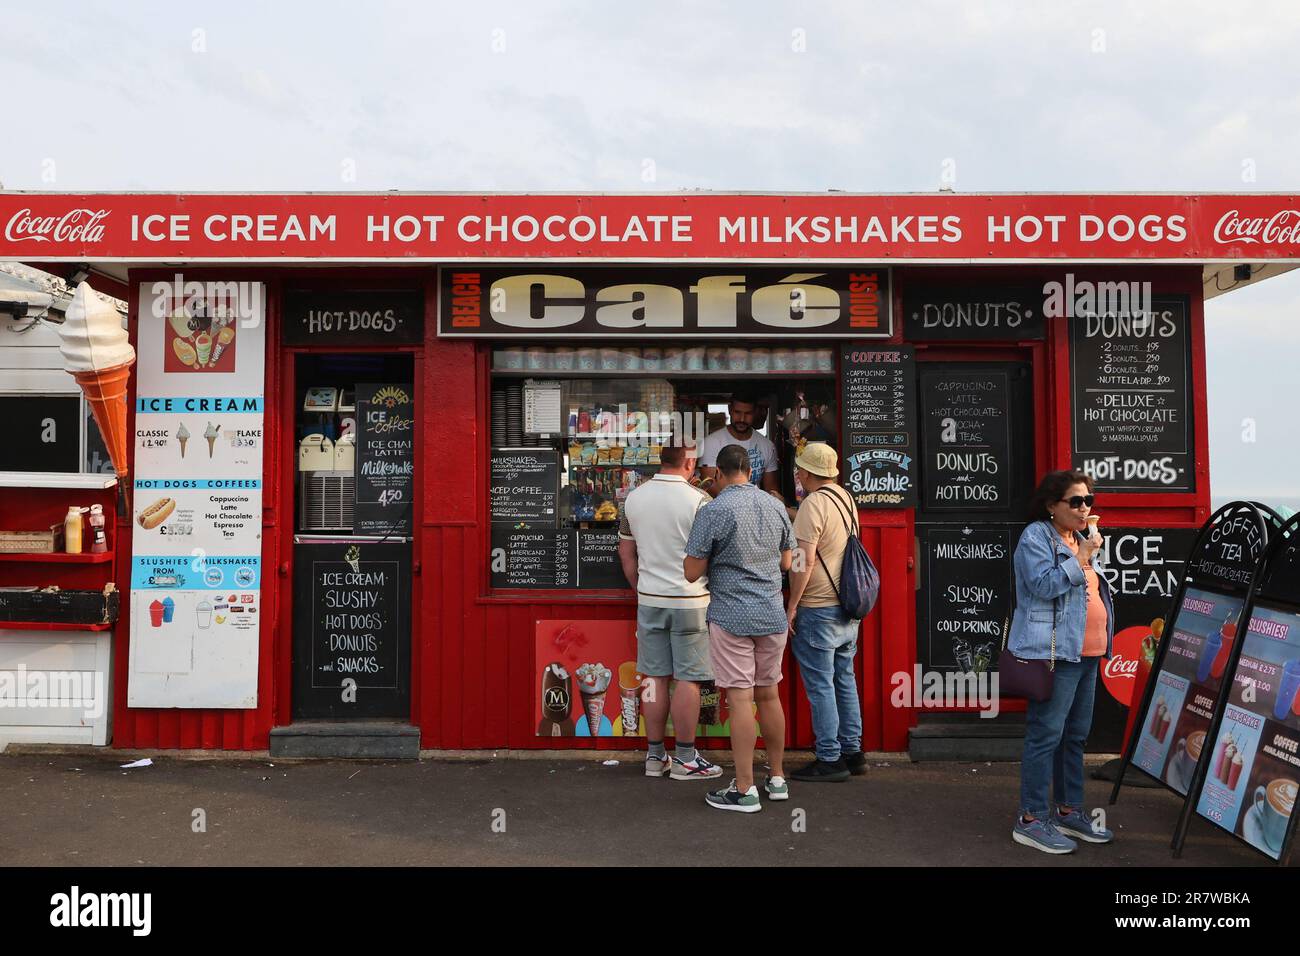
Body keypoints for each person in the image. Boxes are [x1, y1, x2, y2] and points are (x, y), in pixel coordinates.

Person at [1010, 470, 1116, 854]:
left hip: (1087, 654)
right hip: (1055, 655)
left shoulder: (1078, 539)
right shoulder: (1036, 537)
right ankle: (1031, 819)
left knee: (1075, 736)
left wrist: (1085, 553)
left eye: (1089, 500)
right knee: (1045, 735)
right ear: (1052, 505)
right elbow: (1042, 586)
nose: (1085, 507)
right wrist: (1083, 557)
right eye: (1076, 501)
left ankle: (1069, 811)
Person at [684, 443, 794, 812]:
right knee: (770, 695)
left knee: (741, 699)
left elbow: (691, 571)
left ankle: (744, 789)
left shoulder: (714, 510)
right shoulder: (775, 505)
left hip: (731, 616)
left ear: (717, 473)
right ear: (750, 470)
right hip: (771, 614)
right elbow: (785, 561)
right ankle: (777, 779)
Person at [617, 440, 722, 781]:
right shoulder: (700, 501)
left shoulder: (634, 499)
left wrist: (640, 587)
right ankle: (686, 759)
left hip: (650, 599)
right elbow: (711, 554)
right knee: (688, 679)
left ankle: (654, 756)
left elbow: (626, 554)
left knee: (653, 678)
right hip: (690, 600)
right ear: (689, 463)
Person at [784, 442, 864, 782]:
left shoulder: (813, 503)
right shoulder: (843, 497)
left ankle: (829, 759)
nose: (797, 473)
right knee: (844, 679)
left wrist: (791, 606)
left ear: (808, 473)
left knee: (820, 686)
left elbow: (802, 562)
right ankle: (853, 752)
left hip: (818, 607)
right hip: (846, 607)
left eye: (800, 469)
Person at [697, 391, 781, 497]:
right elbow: (709, 485)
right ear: (730, 410)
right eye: (737, 412)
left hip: (755, 510)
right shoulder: (711, 443)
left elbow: (772, 491)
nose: (742, 419)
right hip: (721, 510)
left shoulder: (767, 446)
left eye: (747, 413)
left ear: (755, 412)